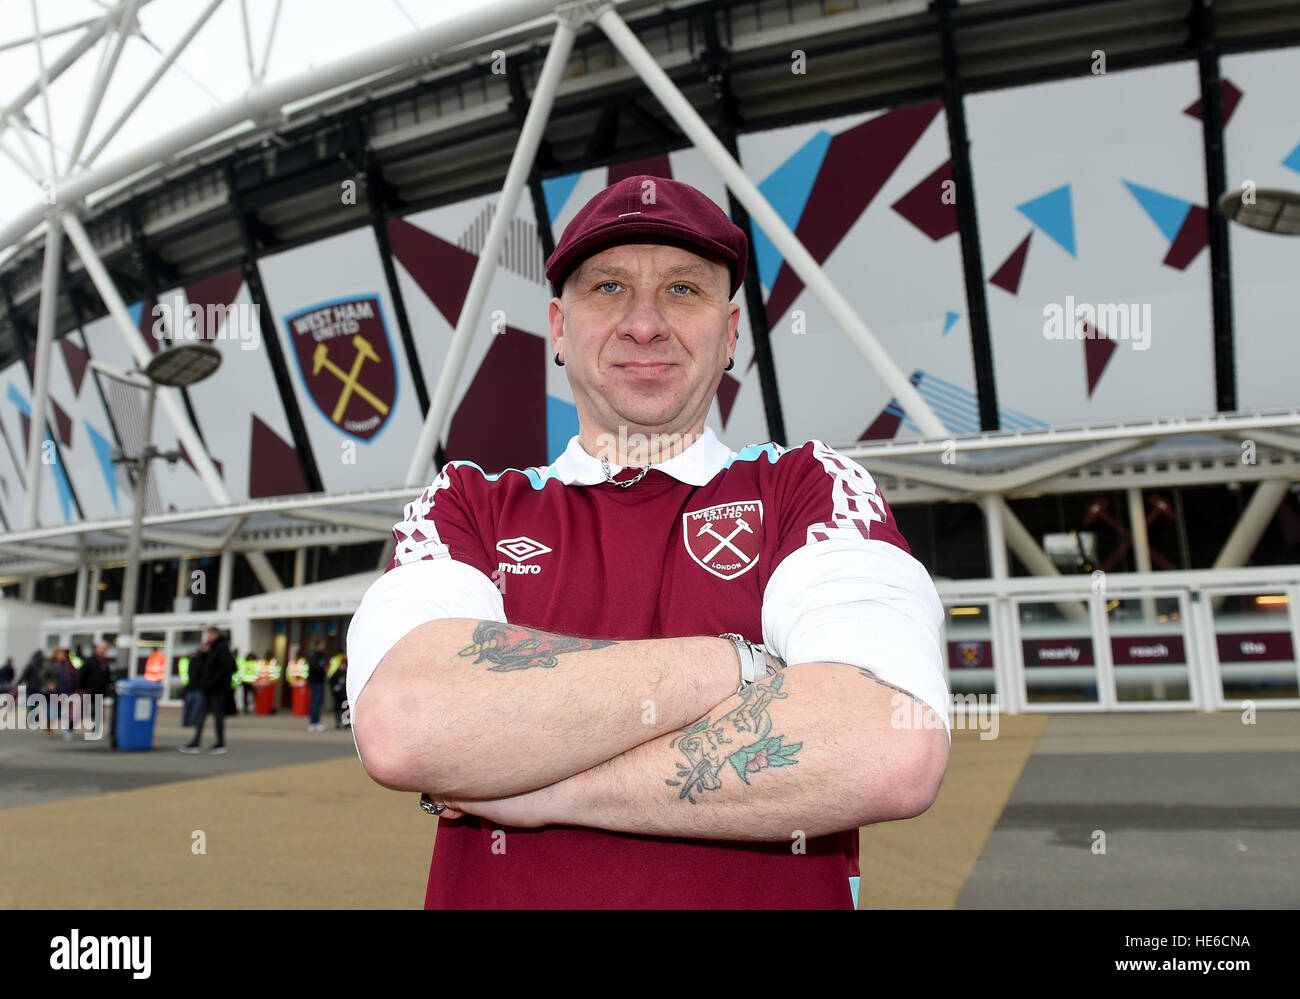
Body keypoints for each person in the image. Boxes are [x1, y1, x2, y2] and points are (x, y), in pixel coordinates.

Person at [347, 175, 951, 910]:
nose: (643, 323)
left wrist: (546, 786)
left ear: (730, 334)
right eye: (606, 287)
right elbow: (409, 720)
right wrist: (742, 664)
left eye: (683, 290)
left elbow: (889, 743)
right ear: (559, 330)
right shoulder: (467, 505)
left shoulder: (810, 489)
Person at [180, 627, 237, 755]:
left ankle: (219, 743)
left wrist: (215, 681)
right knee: (202, 714)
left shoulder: (221, 648)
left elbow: (227, 667)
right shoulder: (212, 648)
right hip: (208, 688)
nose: (207, 637)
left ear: (215, 634)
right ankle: (197, 741)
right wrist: (203, 653)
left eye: (209, 634)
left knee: (217, 716)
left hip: (216, 689)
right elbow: (205, 665)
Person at [306, 639, 328, 732]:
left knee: (317, 701)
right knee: (315, 701)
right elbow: (315, 667)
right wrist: (323, 668)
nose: (324, 647)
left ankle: (316, 721)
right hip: (315, 681)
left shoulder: (319, 655)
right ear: (318, 645)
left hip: (318, 681)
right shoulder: (313, 655)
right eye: (322, 644)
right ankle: (314, 722)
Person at [328, 654, 348, 729]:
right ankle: (338, 722)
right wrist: (336, 685)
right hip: (337, 694)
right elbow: (331, 681)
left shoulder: (346, 673)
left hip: (344, 694)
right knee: (337, 708)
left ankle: (346, 723)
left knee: (345, 707)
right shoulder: (336, 673)